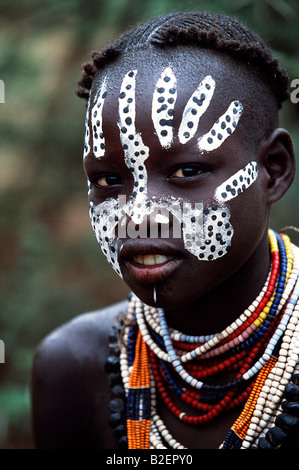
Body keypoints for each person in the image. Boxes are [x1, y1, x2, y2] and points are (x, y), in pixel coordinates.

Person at [31, 11, 299, 449]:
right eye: (107, 181)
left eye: (187, 171)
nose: (138, 216)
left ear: (273, 171)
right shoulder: (72, 366)